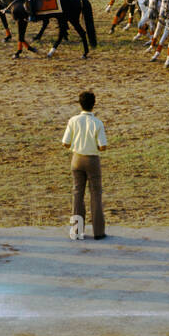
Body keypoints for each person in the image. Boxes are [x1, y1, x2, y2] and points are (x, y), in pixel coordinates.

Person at [62, 91, 107, 240]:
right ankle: (98, 232)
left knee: (77, 194)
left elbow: (65, 142)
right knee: (95, 194)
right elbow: (102, 146)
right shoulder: (97, 123)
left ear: (80, 103)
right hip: (92, 159)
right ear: (94, 104)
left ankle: (76, 231)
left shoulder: (73, 120)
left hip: (76, 159)